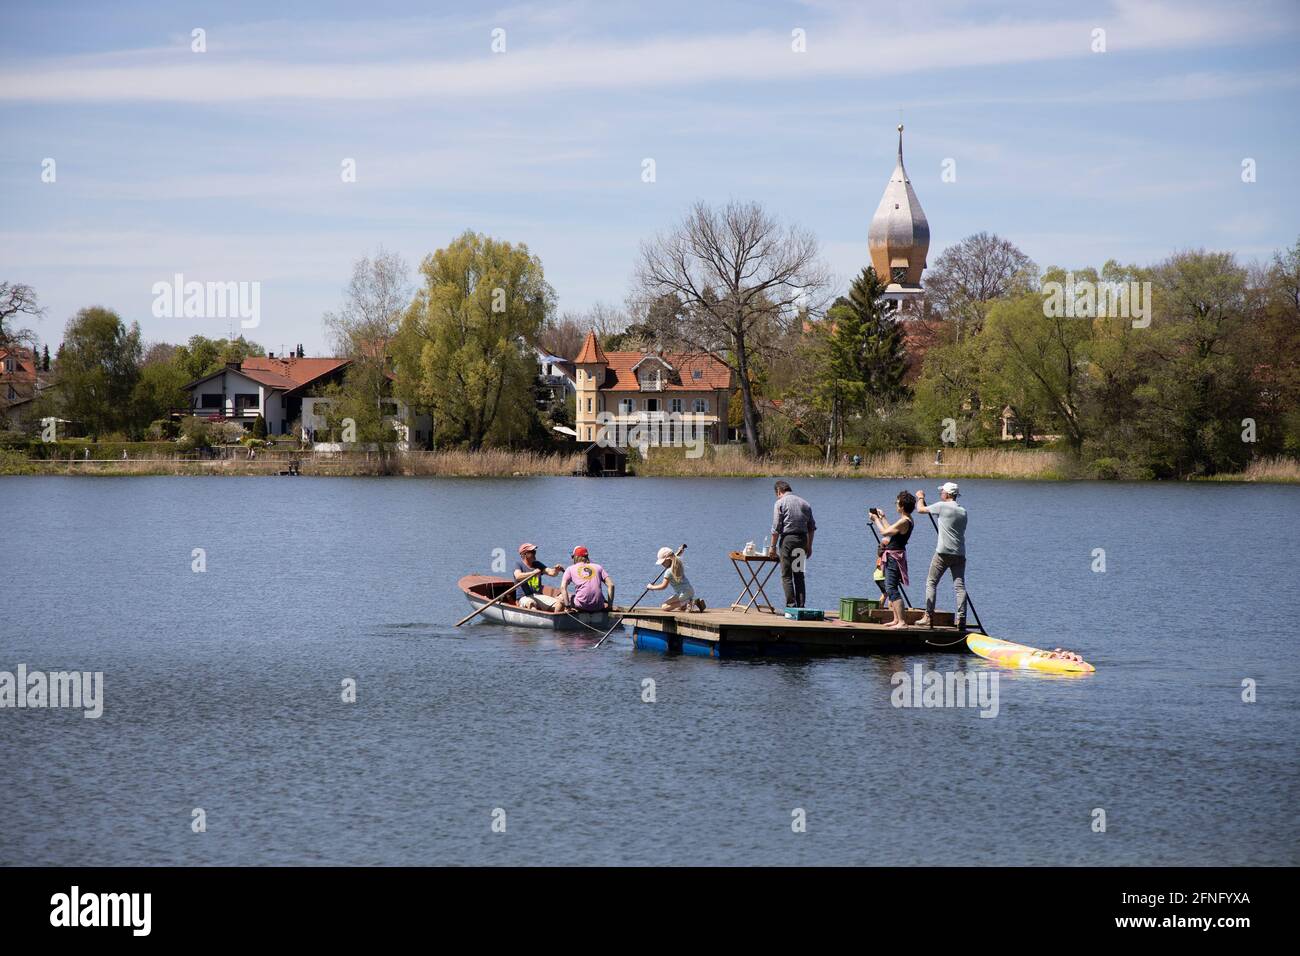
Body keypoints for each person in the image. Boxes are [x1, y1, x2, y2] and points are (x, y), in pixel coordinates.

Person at [915, 481, 968, 631]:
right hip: (960, 553)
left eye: (942, 492)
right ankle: (961, 619)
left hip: (943, 552)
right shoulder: (963, 511)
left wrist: (920, 497)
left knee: (931, 582)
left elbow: (920, 510)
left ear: (948, 494)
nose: (941, 494)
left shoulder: (942, 506)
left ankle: (928, 617)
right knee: (959, 587)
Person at [869, 491, 915, 629]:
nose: (895, 504)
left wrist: (875, 519)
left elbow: (884, 532)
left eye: (897, 502)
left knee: (891, 588)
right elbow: (891, 530)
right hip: (894, 555)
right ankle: (896, 619)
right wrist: (883, 518)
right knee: (891, 587)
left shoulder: (904, 521)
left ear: (901, 506)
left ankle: (902, 622)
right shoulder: (906, 519)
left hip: (895, 557)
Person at [768, 480, 815, 609]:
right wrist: (809, 546)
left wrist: (772, 548)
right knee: (799, 574)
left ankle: (791, 606)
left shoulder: (780, 503)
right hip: (802, 541)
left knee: (786, 574)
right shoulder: (805, 503)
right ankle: (801, 606)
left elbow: (776, 528)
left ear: (778, 491)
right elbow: (811, 528)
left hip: (788, 541)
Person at [556, 546, 615, 613]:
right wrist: (609, 607)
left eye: (573, 557)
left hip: (581, 605)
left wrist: (567, 606)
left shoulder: (570, 569)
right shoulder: (598, 567)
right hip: (599, 605)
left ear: (576, 557)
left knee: (560, 598)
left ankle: (557, 621)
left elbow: (563, 587)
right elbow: (611, 585)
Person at [645, 546, 706, 612]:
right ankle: (692, 602)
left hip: (683, 594)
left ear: (669, 559)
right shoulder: (678, 564)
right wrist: (679, 551)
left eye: (663, 562)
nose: (662, 564)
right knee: (680, 608)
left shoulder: (668, 572)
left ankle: (689, 602)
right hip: (690, 591)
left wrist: (651, 587)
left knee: (664, 607)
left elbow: (663, 586)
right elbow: (675, 556)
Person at [513, 543, 563, 610]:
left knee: (559, 604)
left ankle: (556, 619)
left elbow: (551, 573)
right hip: (524, 597)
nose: (534, 553)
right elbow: (518, 576)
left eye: (535, 551)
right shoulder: (519, 564)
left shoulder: (537, 564)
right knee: (531, 604)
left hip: (538, 595)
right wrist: (532, 573)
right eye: (532, 552)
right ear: (524, 554)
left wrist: (556, 570)